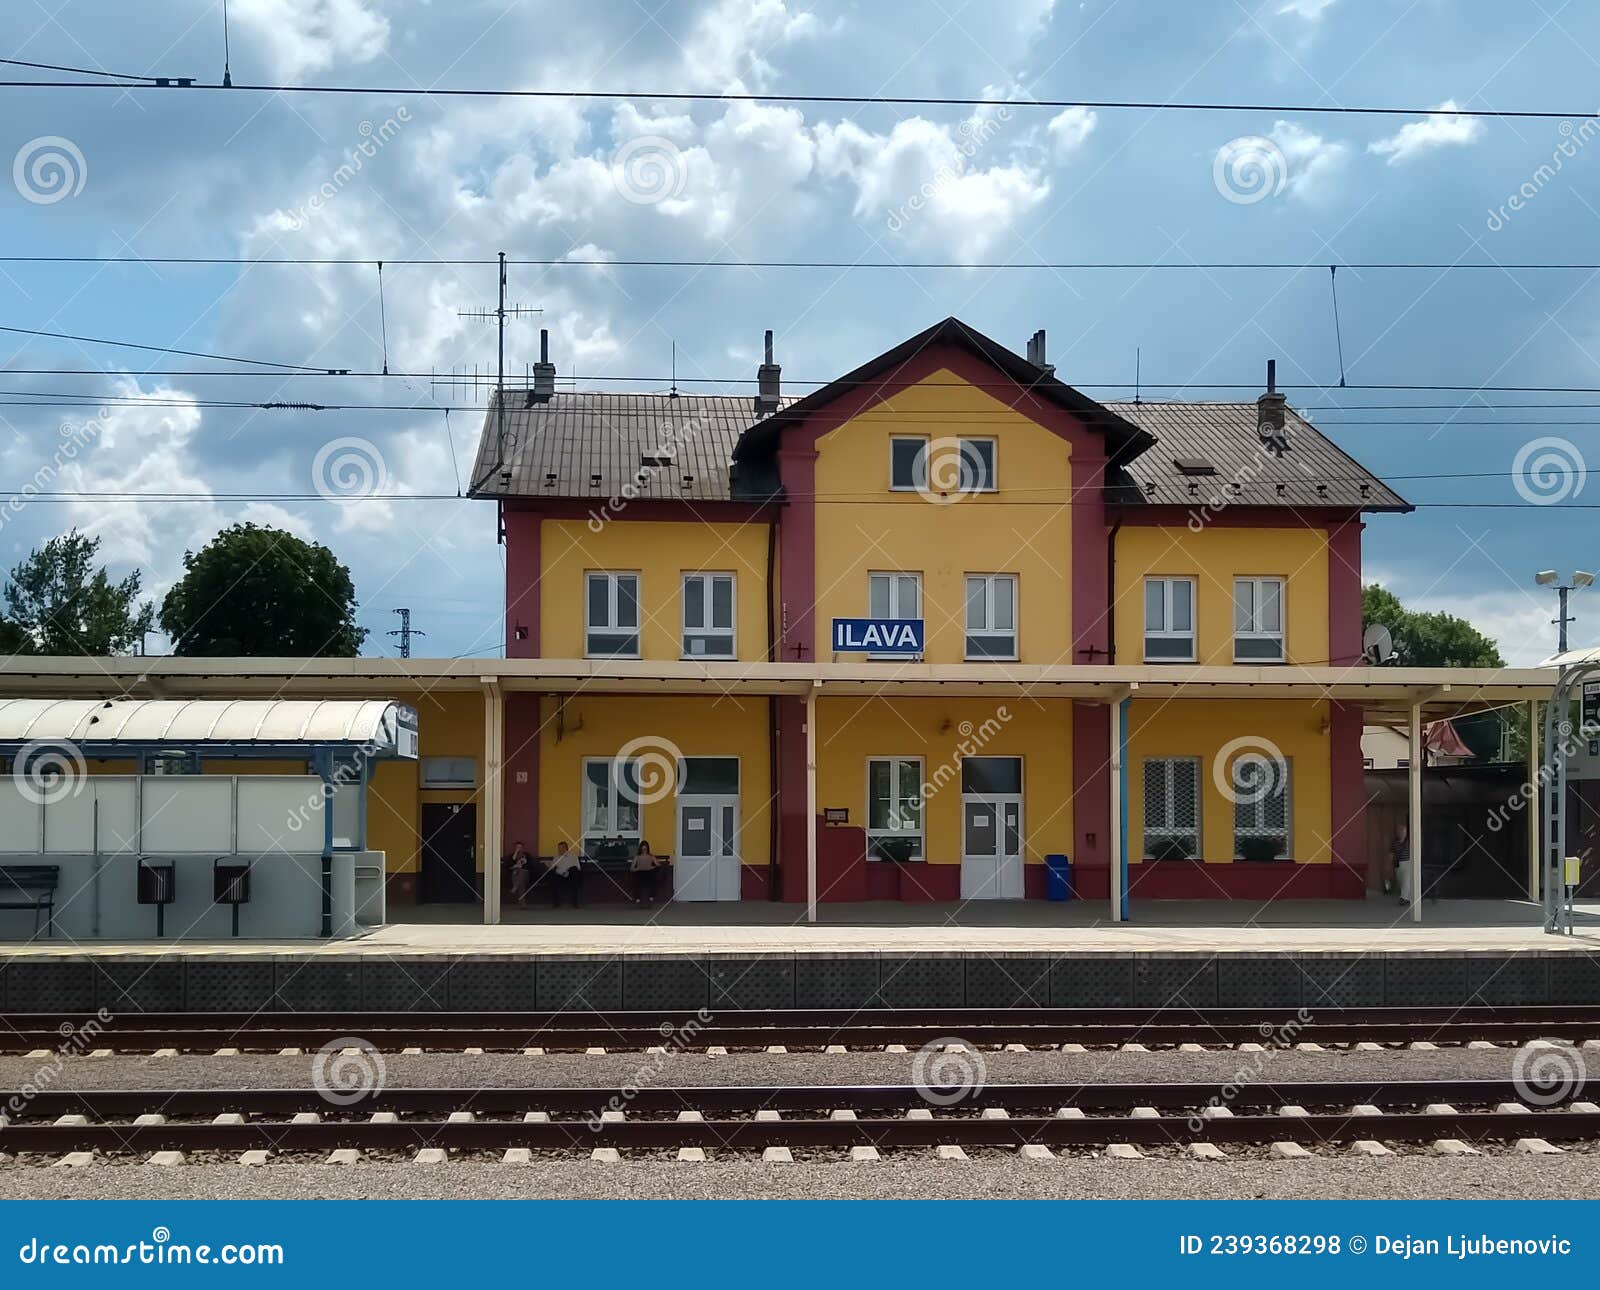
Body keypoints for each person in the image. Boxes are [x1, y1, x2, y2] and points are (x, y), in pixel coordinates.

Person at [545, 840, 583, 909]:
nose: (559, 850)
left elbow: (578, 868)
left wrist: (568, 870)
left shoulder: (573, 856)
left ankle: (575, 903)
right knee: (553, 876)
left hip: (571, 874)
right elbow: (551, 868)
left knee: (574, 870)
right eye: (559, 848)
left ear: (566, 848)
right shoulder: (556, 857)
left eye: (561, 848)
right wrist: (548, 864)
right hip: (560, 875)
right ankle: (556, 903)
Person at [630, 840, 662, 904]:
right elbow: (631, 868)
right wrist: (637, 868)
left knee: (654, 879)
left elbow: (658, 865)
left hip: (648, 872)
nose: (644, 851)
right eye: (643, 849)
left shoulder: (651, 856)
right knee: (636, 881)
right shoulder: (637, 857)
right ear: (641, 849)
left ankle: (651, 896)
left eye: (645, 849)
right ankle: (637, 898)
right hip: (640, 872)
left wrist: (653, 867)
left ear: (647, 849)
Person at [507, 842, 532, 906]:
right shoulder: (511, 856)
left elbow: (528, 865)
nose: (519, 849)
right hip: (515, 874)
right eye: (517, 847)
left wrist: (522, 863)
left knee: (521, 873)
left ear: (523, 848)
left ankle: (515, 887)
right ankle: (523, 903)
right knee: (521, 886)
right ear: (515, 848)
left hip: (525, 874)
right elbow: (509, 865)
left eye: (520, 847)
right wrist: (515, 866)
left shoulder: (527, 855)